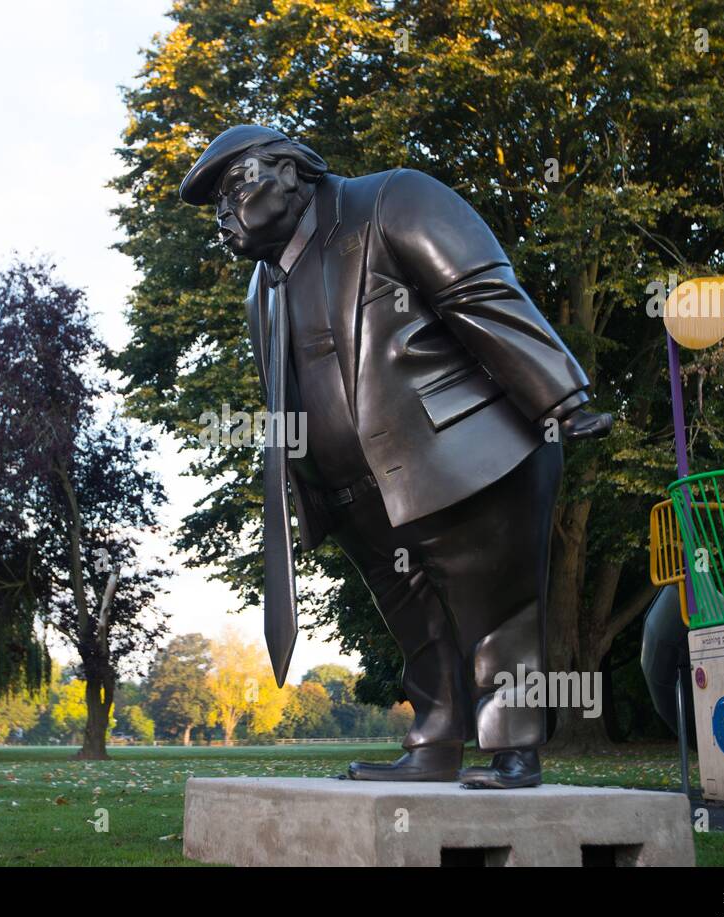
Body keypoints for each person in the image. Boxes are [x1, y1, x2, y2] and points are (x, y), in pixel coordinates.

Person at [180, 126, 611, 785]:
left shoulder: (390, 200)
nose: (223, 216)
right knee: (416, 625)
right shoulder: (260, 291)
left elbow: (479, 292)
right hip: (358, 495)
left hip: (468, 457)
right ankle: (433, 744)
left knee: (498, 613)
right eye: (214, 206)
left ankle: (513, 750)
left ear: (293, 172)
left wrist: (559, 398)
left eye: (235, 187)